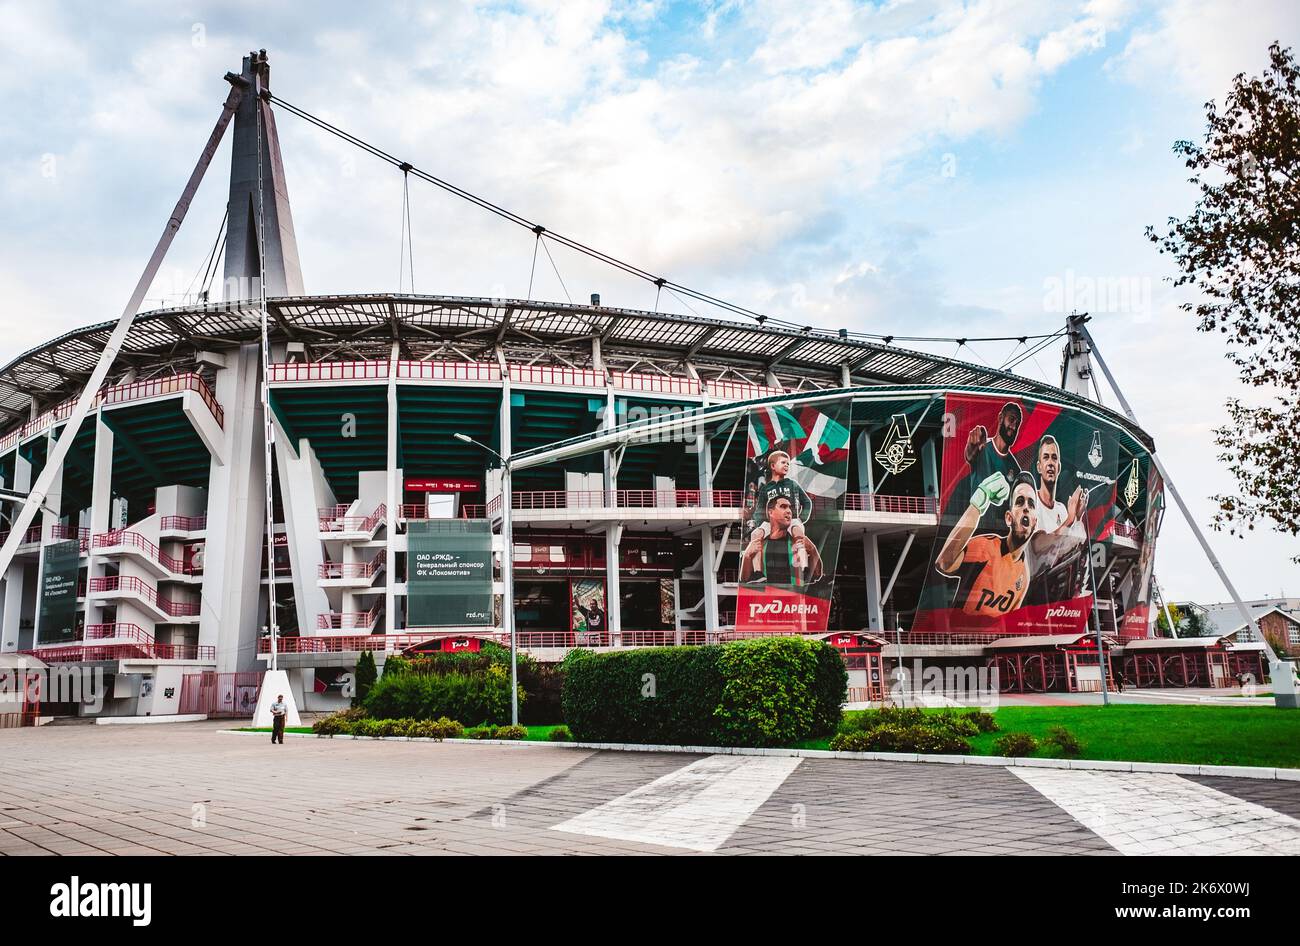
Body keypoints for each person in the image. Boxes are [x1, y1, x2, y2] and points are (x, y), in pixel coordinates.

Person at [935, 470, 1038, 617]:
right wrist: (978, 502)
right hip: (960, 636)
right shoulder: (986, 547)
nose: (1026, 508)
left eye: (1031, 504)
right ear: (1009, 518)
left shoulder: (1024, 575)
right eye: (1020, 502)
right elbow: (944, 563)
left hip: (992, 639)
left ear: (1036, 523)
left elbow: (1009, 622)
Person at [745, 450, 813, 573]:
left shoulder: (792, 484)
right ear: (772, 466)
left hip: (790, 519)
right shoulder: (766, 488)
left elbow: (807, 502)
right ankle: (758, 573)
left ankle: (805, 568)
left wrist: (800, 518)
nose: (786, 465)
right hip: (771, 522)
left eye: (788, 463)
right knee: (755, 535)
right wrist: (758, 523)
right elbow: (760, 509)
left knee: (798, 533)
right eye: (783, 463)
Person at [961, 402, 1023, 533]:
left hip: (999, 536)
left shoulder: (1016, 470)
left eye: (1017, 423)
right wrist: (971, 446)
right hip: (974, 528)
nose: (1013, 426)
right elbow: (970, 455)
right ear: (1001, 418)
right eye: (1011, 419)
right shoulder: (982, 447)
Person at [1028, 435, 1087, 571]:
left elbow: (1069, 547)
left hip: (1057, 583)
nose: (1050, 463)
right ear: (1039, 467)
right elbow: (1036, 546)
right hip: (1034, 584)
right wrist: (1070, 520)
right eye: (1046, 457)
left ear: (1059, 467)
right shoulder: (1030, 501)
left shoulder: (1061, 509)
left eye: (1054, 458)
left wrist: (1078, 518)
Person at [740, 495, 824, 586]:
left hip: (793, 597)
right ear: (771, 512)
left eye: (790, 507)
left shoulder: (798, 543)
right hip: (766, 599)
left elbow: (817, 575)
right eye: (783, 507)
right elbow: (745, 579)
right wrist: (747, 555)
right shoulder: (759, 545)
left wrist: (812, 549)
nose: (789, 511)